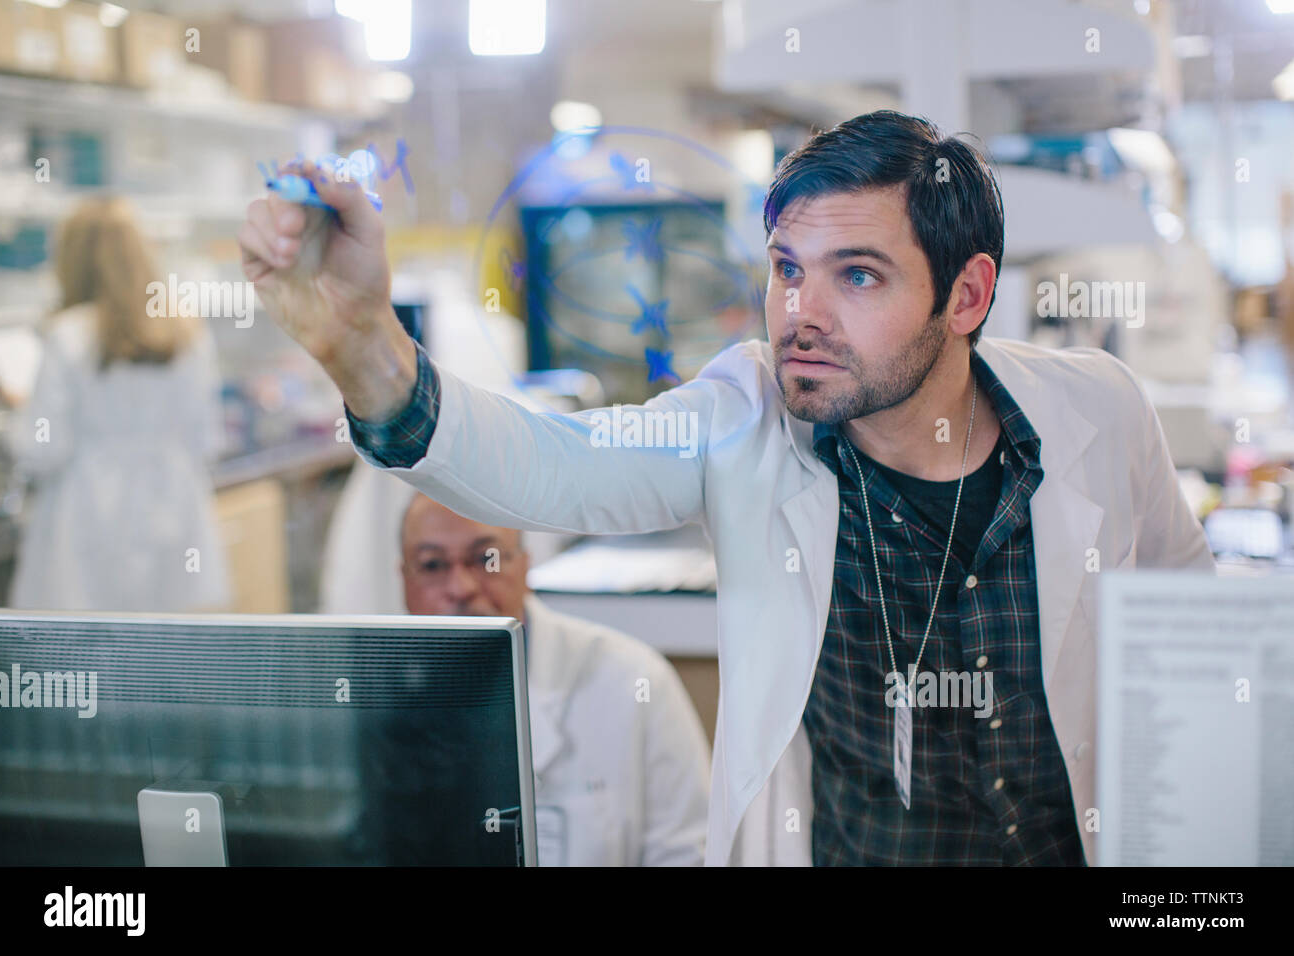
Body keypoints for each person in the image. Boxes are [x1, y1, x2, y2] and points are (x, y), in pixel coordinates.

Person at [238, 110, 1215, 867]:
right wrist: (366, 347)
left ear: (965, 295)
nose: (801, 311)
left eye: (858, 276)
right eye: (787, 268)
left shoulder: (1097, 415)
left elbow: (1189, 643)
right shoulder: (745, 415)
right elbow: (553, 463)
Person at [398, 493, 710, 866]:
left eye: (486, 559)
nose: (461, 587)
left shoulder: (635, 680)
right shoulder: (376, 698)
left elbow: (688, 855)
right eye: (432, 565)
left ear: (525, 567)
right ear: (404, 580)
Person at [11, 197, 230, 613]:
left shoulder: (67, 335)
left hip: (87, 524)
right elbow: (209, 440)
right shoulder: (187, 332)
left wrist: (21, 418)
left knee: (88, 666)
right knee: (165, 659)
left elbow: (42, 450)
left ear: (71, 260)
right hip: (174, 511)